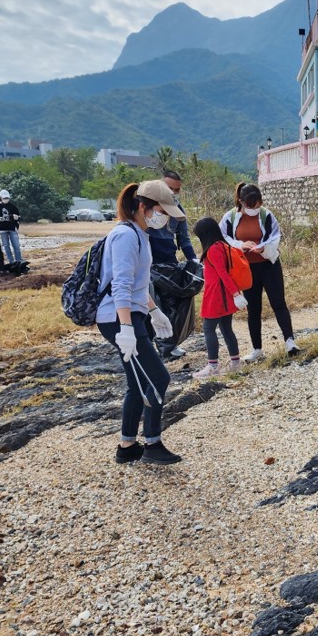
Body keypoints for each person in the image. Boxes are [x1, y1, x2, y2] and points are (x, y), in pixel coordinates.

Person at [95, 180, 182, 465]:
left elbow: (137, 284)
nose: (164, 217)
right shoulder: (124, 235)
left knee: (136, 382)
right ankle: (153, 443)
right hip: (119, 317)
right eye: (161, 210)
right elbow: (120, 286)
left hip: (133, 314)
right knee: (159, 377)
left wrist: (154, 312)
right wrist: (128, 330)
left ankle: (127, 445)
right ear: (143, 206)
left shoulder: (141, 234)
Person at [219, 183, 299, 361]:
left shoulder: (266, 214)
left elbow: (275, 237)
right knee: (253, 310)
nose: (255, 209)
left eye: (258, 205)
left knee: (279, 303)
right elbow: (223, 238)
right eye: (250, 206)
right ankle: (257, 350)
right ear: (241, 202)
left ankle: (290, 342)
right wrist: (240, 245)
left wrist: (262, 248)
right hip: (247, 269)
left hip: (269, 265)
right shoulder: (230, 218)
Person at [146, 169, 200, 360]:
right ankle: (159, 346)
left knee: (173, 306)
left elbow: (183, 240)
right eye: (170, 188)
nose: (173, 193)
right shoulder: (148, 211)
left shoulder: (178, 211)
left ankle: (170, 343)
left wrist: (195, 262)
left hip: (169, 263)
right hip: (149, 265)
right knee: (154, 307)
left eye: (177, 190)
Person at [191, 216, 250, 377]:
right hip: (225, 294)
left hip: (217, 294)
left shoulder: (213, 249)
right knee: (225, 328)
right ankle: (235, 362)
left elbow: (223, 274)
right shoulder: (223, 245)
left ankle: (213, 366)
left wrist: (236, 294)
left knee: (208, 328)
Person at [0, 189, 22, 269]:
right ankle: (11, 261)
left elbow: (18, 216)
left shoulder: (12, 206)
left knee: (16, 245)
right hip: (2, 229)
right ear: (0, 197)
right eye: (4, 198)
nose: (6, 199)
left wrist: (16, 218)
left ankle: (19, 260)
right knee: (6, 245)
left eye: (7, 198)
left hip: (12, 228)